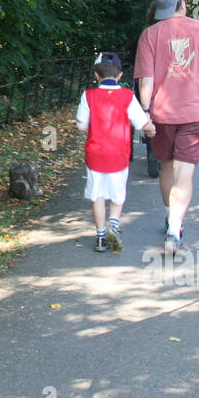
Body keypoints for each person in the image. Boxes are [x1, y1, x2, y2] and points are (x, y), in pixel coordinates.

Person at [134, 0, 199, 256]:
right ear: (184, 4)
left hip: (161, 113)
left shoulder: (149, 35)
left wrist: (145, 111)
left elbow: (147, 79)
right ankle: (174, 230)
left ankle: (170, 217)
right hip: (194, 112)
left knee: (167, 166)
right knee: (184, 172)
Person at [76, 56, 155, 253]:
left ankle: (101, 237)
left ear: (96, 74)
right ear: (119, 75)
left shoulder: (88, 96)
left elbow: (81, 125)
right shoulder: (127, 96)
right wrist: (152, 128)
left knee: (98, 196)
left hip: (95, 154)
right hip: (118, 155)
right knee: (117, 194)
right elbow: (142, 123)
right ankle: (114, 225)